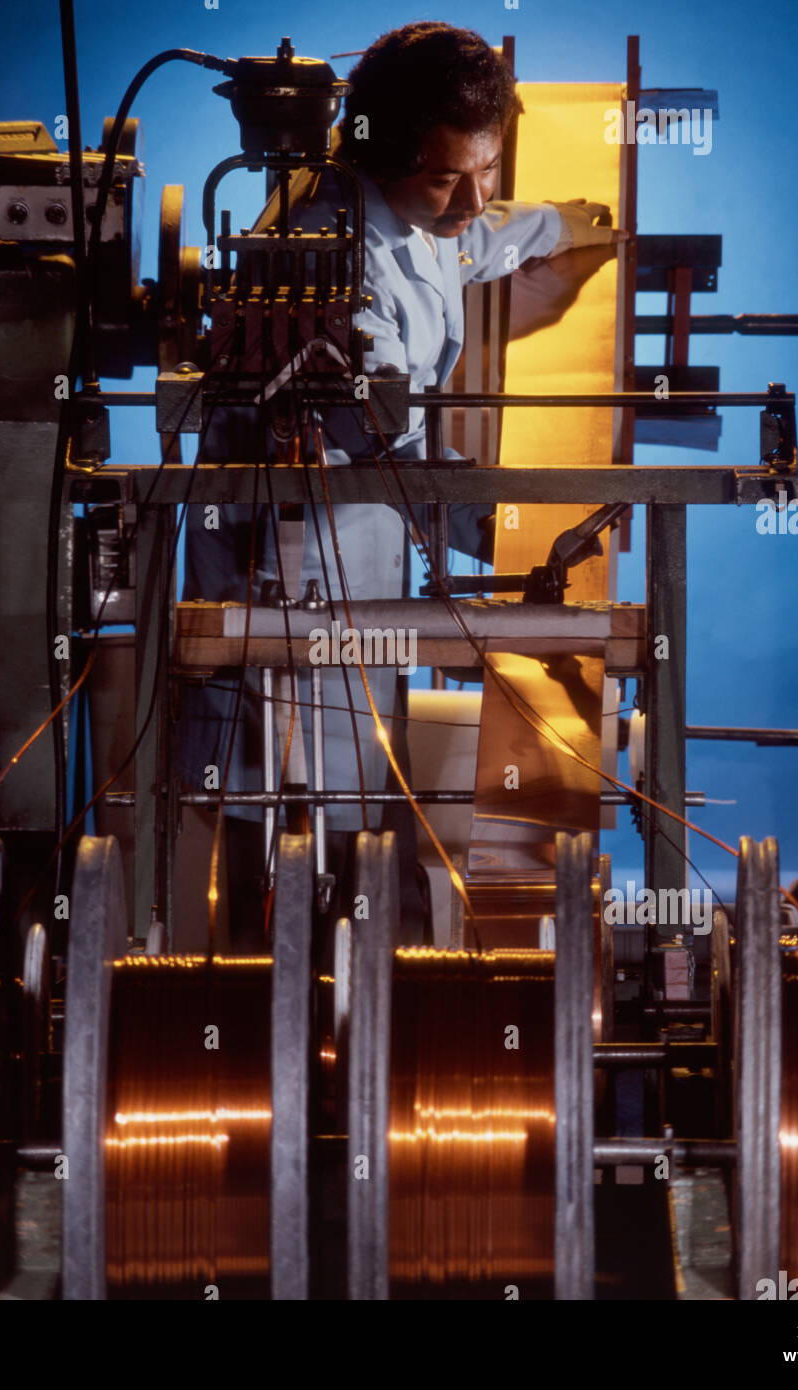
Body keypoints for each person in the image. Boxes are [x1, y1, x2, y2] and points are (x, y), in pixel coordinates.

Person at [179, 21, 628, 947]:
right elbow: (369, 436)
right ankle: (293, 1017)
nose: (470, 196)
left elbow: (472, 238)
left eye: (487, 167)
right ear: (382, 155)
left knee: (362, 799)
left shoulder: (413, 212)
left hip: (368, 554)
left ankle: (367, 988)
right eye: (444, 177)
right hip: (300, 555)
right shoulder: (325, 249)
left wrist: (566, 223)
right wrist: (500, 519)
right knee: (299, 819)